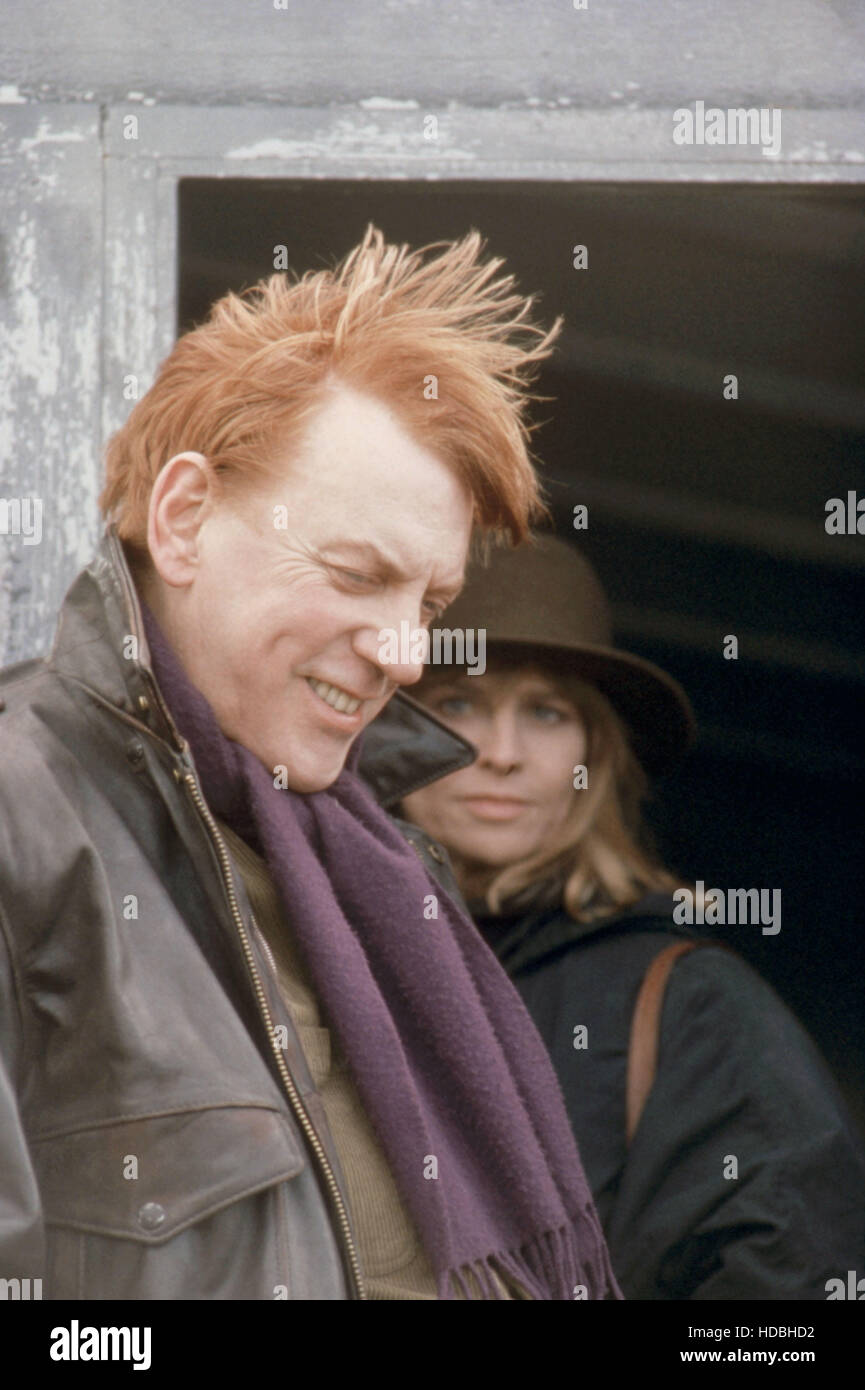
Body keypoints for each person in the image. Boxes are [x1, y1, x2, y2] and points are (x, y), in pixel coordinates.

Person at [0, 229, 621, 1302]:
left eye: (426, 603)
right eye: (355, 574)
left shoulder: (381, 864)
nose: (406, 654)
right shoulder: (22, 814)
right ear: (185, 518)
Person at [398, 533, 865, 1300]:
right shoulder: (310, 950)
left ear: (595, 757)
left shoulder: (689, 999)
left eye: (545, 714)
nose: (502, 752)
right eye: (457, 703)